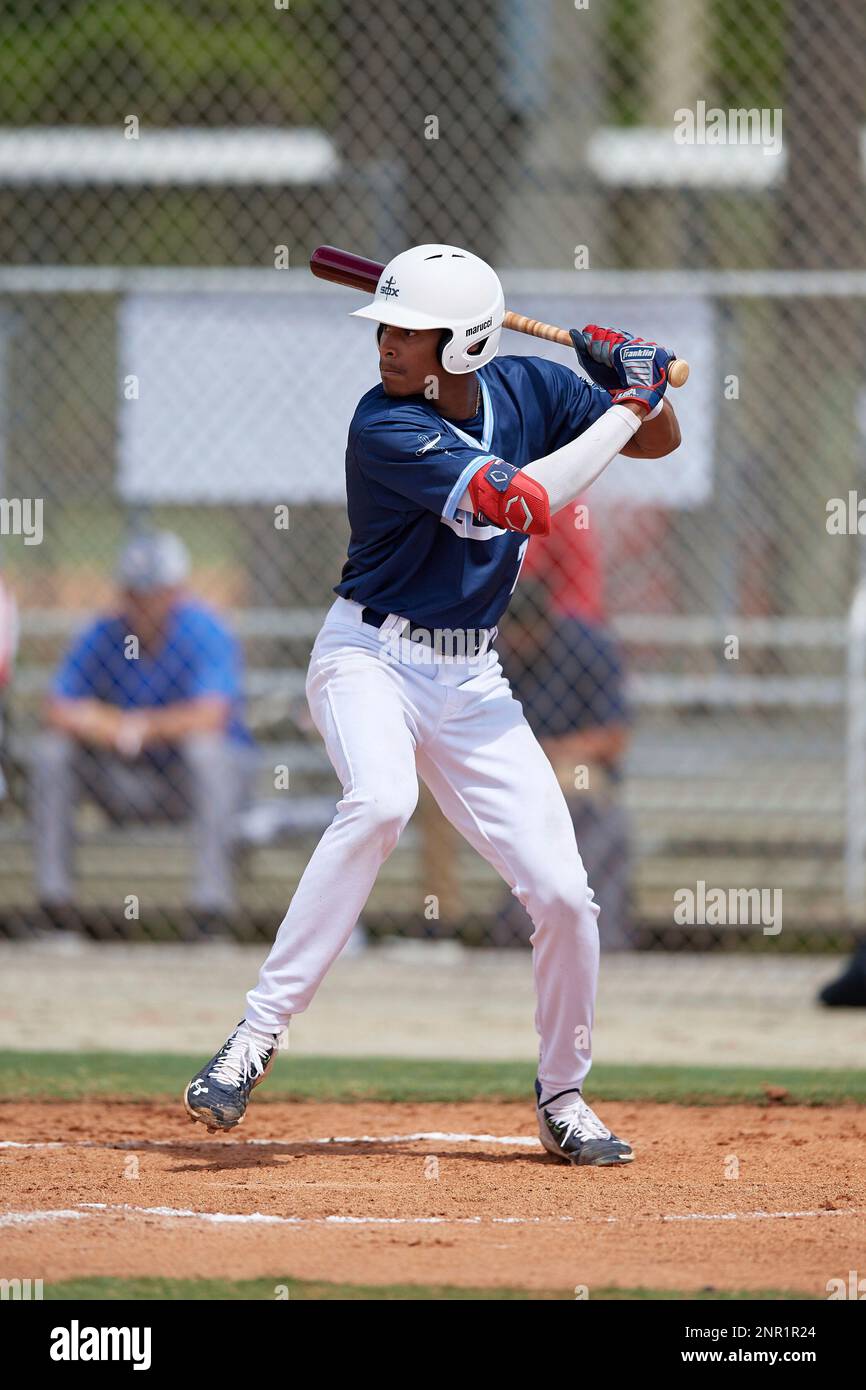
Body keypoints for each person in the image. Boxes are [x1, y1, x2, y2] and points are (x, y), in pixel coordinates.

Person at [184, 245, 680, 1166]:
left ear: (465, 344)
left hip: (473, 680)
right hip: (368, 655)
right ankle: (253, 1039)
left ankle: (564, 1095)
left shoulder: (531, 388)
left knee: (568, 896)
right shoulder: (384, 426)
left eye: (411, 331)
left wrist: (633, 376)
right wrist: (628, 401)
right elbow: (526, 501)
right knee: (379, 802)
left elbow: (658, 442)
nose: (389, 345)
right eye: (388, 328)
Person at [32, 531, 257, 938]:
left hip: (187, 785)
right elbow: (56, 708)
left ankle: (211, 914)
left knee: (207, 752)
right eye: (135, 593)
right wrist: (106, 724)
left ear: (176, 592)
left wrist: (138, 728)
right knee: (53, 753)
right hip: (124, 780)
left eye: (154, 592)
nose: (144, 604)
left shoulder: (204, 629)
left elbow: (211, 716)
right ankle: (54, 908)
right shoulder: (105, 632)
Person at [492, 575, 633, 950]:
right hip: (506, 761)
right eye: (511, 634)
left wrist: (547, 752)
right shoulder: (488, 649)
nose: (517, 644)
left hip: (568, 763)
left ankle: (586, 930)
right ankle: (444, 923)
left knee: (574, 786)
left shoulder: (586, 646)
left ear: (545, 626)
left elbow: (613, 739)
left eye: (526, 634)